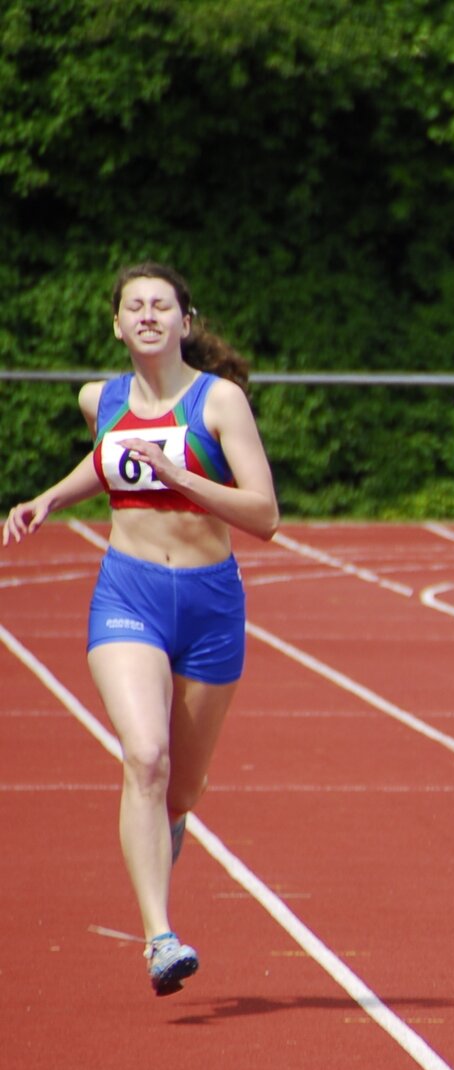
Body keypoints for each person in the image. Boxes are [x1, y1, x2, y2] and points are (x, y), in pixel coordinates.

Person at [4, 263, 278, 994]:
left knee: (180, 790)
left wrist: (180, 473)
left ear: (185, 323)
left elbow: (265, 516)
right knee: (145, 757)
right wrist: (50, 496)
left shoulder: (220, 402)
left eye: (163, 305)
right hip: (129, 594)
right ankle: (160, 938)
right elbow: (107, 457)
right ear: (117, 326)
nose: (149, 316)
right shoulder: (103, 398)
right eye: (136, 307)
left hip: (211, 604)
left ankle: (167, 831)